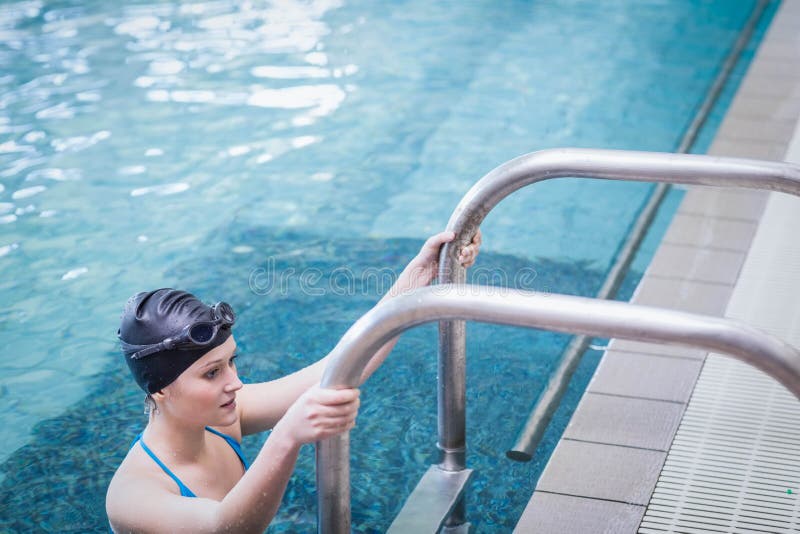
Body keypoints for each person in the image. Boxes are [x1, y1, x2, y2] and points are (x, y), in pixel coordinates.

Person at [106, 229, 481, 533]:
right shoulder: (133, 496)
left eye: (230, 362)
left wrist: (418, 277)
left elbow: (338, 367)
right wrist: (287, 434)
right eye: (211, 373)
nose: (235, 383)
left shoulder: (223, 416)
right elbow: (225, 527)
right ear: (159, 388)